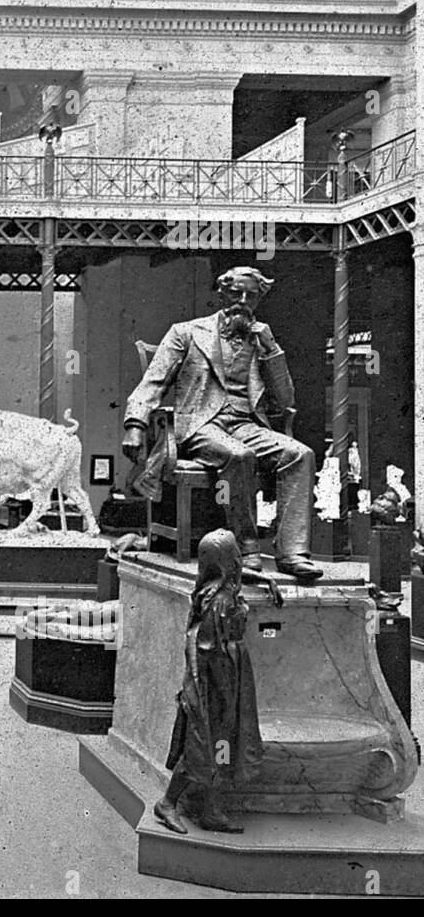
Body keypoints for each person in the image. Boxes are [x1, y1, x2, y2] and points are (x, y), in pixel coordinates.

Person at [122, 267, 321, 580]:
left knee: (300, 455)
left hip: (247, 424)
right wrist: (135, 424)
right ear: (221, 293)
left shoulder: (261, 340)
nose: (242, 301)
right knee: (238, 455)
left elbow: (284, 400)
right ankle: (246, 544)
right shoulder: (186, 332)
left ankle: (292, 553)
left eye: (251, 296)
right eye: (235, 293)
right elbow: (153, 382)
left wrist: (271, 349)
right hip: (201, 425)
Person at [154, 529, 263, 835]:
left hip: (228, 674)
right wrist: (227, 695)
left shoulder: (219, 589)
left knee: (222, 743)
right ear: (230, 561)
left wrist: (263, 580)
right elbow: (208, 650)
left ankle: (212, 809)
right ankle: (167, 803)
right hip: (217, 682)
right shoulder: (220, 600)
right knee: (205, 745)